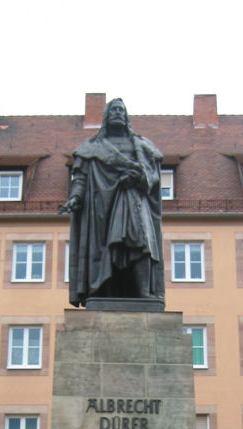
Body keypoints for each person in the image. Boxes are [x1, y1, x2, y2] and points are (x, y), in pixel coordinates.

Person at [60, 99, 165, 307]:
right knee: (103, 248)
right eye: (113, 110)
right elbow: (80, 178)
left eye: (121, 110)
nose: (117, 113)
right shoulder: (92, 148)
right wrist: (75, 197)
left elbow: (153, 178)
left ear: (126, 117)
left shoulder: (143, 146)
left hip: (134, 201)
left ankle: (144, 291)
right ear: (106, 116)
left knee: (142, 242)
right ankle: (103, 294)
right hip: (101, 207)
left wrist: (136, 178)